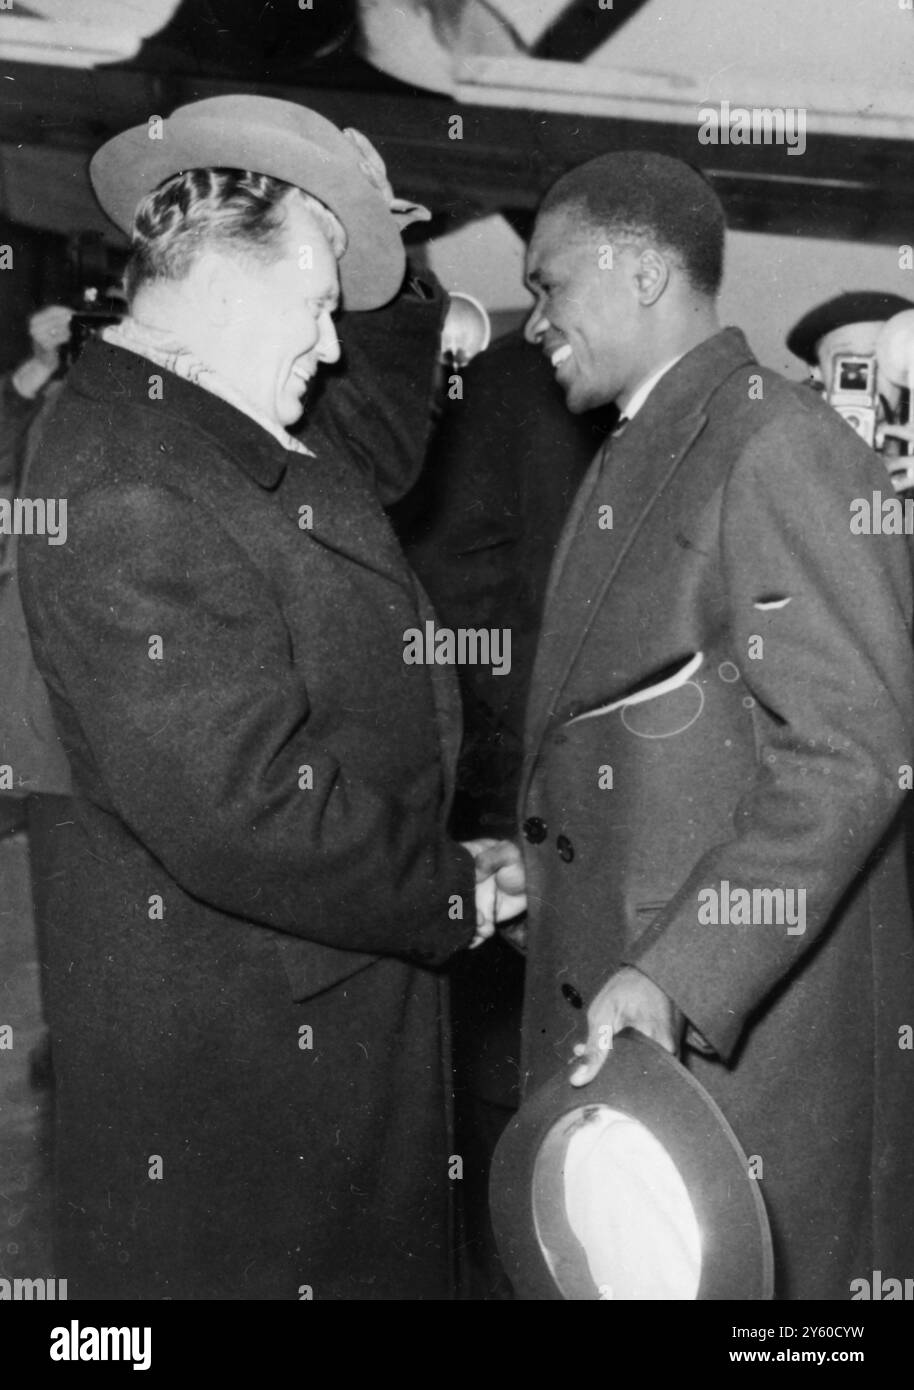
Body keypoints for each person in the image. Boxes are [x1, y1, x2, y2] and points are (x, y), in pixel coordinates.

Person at [18, 94, 521, 1301]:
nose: (331, 345)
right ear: (231, 285)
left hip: (307, 1000)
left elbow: (383, 438)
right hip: (240, 1064)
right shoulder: (130, 481)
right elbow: (243, 806)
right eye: (313, 306)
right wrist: (454, 889)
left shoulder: (195, 420)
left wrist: (364, 229)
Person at [497, 149, 914, 1300]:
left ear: (638, 272)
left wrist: (680, 972)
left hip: (738, 1047)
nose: (534, 321)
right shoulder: (652, 439)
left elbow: (848, 754)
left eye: (548, 284)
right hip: (641, 1042)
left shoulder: (774, 444)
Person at [0, 305, 76, 1086]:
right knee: (61, 855)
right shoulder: (48, 397)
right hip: (43, 676)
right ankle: (72, 1024)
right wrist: (37, 364)